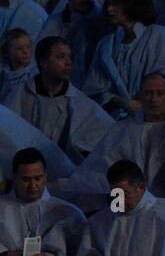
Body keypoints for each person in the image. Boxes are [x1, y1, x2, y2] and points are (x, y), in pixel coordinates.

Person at [56, 71, 165, 211]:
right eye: (148, 93)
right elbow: (100, 173)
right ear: (140, 96)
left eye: (160, 93)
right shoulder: (121, 131)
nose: (154, 99)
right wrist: (119, 210)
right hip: (125, 205)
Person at [0, 146, 85, 256]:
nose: (33, 185)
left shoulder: (68, 214)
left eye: (38, 178)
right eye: (26, 179)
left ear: (46, 176)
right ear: (14, 178)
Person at [5, 35, 113, 165]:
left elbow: (106, 135)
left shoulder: (79, 102)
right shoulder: (19, 94)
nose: (68, 62)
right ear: (43, 62)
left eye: (69, 57)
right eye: (61, 57)